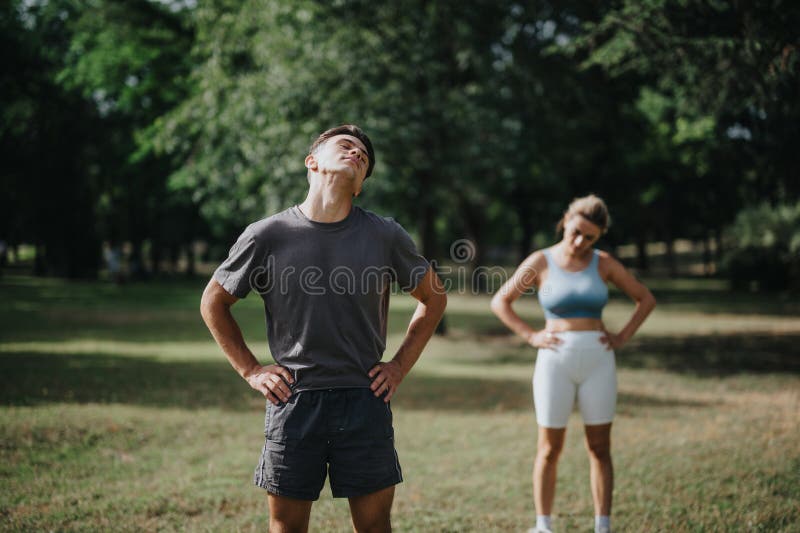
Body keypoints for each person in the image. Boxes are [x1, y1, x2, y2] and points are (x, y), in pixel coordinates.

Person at [200, 124, 447, 533]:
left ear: (361, 185)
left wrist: (399, 366)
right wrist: (252, 370)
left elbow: (434, 299)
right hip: (294, 401)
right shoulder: (266, 235)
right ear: (312, 162)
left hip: (364, 398)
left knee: (374, 527)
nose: (356, 154)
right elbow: (214, 301)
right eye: (345, 146)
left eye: (364, 158)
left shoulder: (384, 234)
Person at [490, 195, 656, 533]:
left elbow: (645, 299)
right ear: (566, 220)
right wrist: (530, 335)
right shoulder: (541, 261)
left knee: (599, 447)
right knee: (549, 448)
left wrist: (621, 337)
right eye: (577, 231)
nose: (580, 242)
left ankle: (603, 527)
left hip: (598, 361)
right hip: (555, 361)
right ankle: (543, 526)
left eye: (590, 237)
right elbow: (501, 301)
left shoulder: (604, 263)